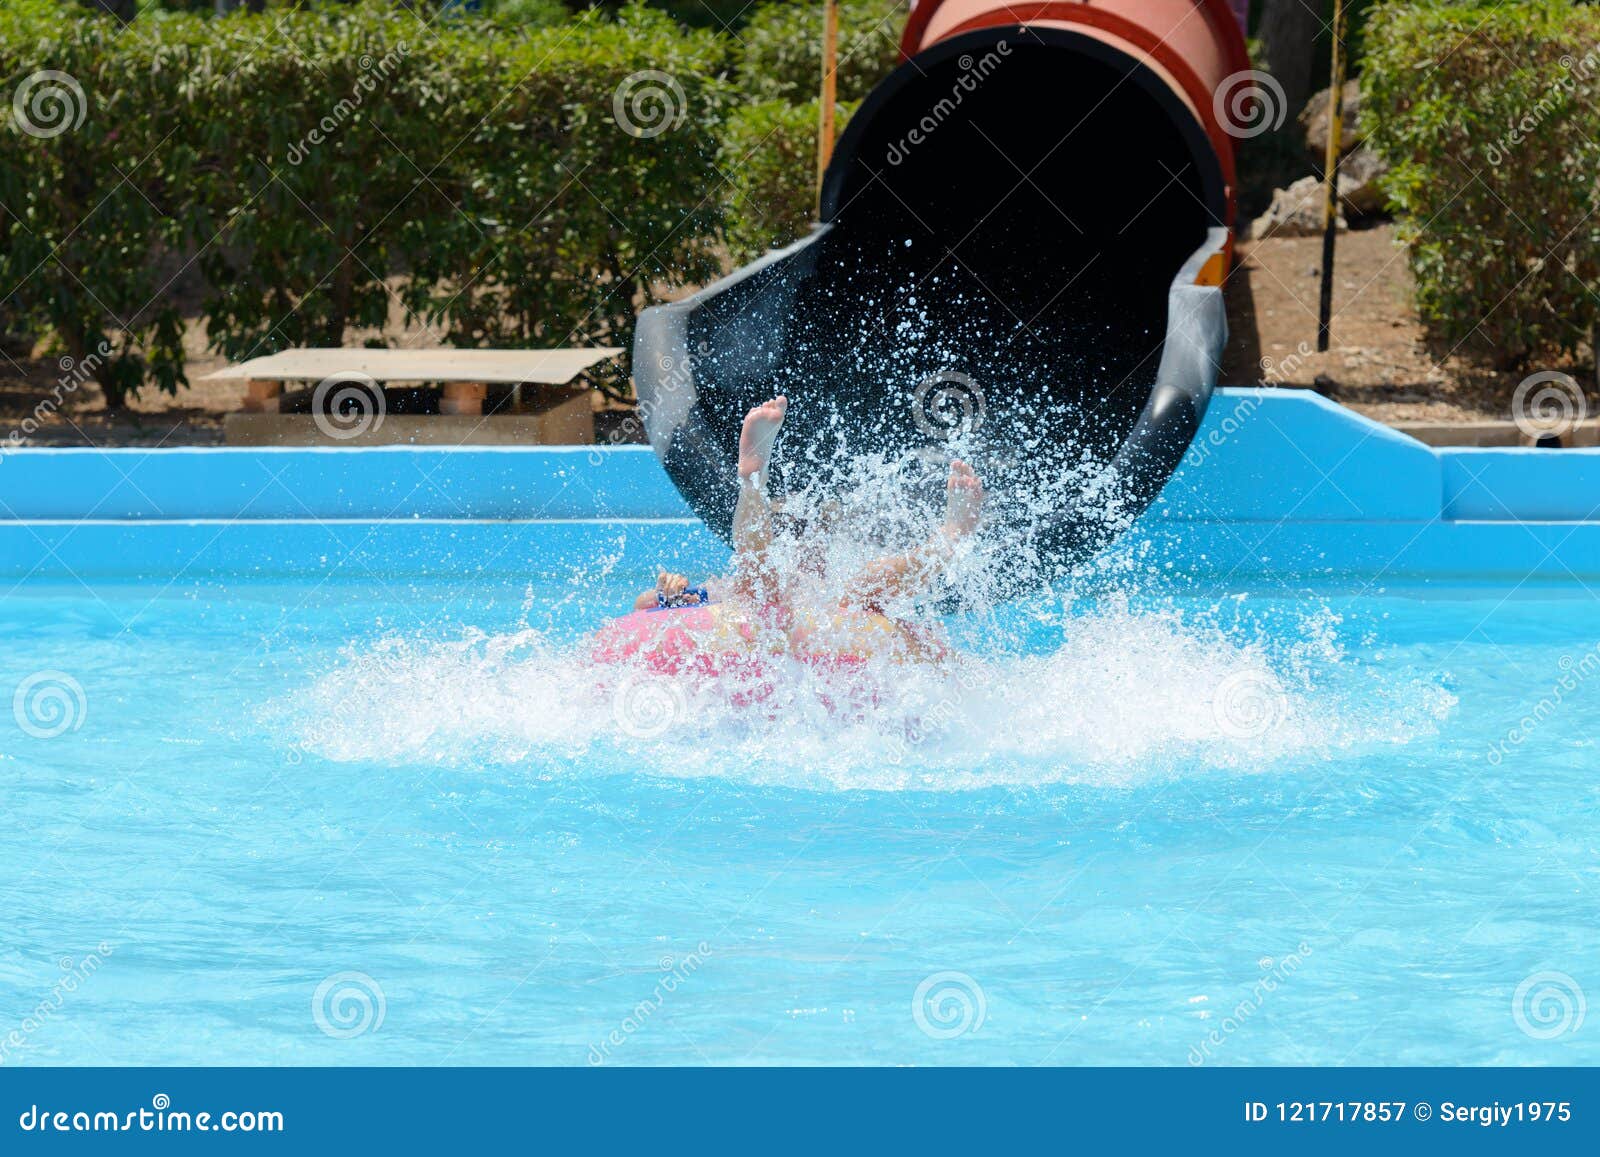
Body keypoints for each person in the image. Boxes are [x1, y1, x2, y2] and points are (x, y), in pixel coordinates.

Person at [610, 395, 983, 669]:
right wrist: (667, 591)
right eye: (799, 533)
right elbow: (644, 608)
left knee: (861, 588)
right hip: (761, 615)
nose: (809, 544)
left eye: (816, 535)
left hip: (817, 624)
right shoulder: (739, 587)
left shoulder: (835, 588)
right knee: (760, 584)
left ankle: (949, 538)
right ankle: (753, 481)